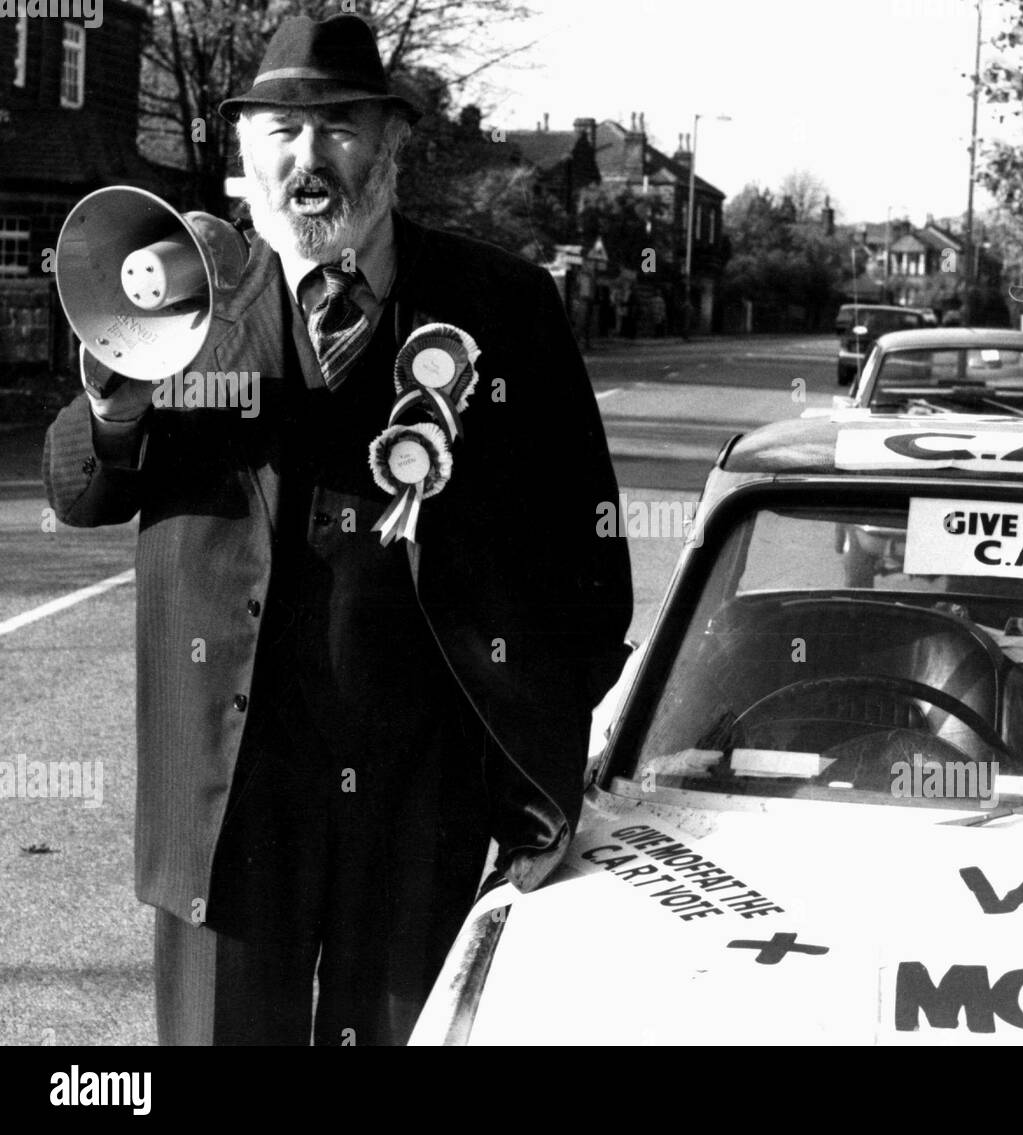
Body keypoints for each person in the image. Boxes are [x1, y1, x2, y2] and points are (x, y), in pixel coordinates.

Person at [42, 14, 632, 1046]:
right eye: (280, 128)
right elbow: (81, 489)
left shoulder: (506, 306)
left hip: (423, 794)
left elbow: (587, 567)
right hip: (229, 802)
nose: (307, 157)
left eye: (339, 126)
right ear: (244, 150)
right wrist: (116, 406)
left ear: (391, 144)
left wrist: (539, 777)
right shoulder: (177, 293)